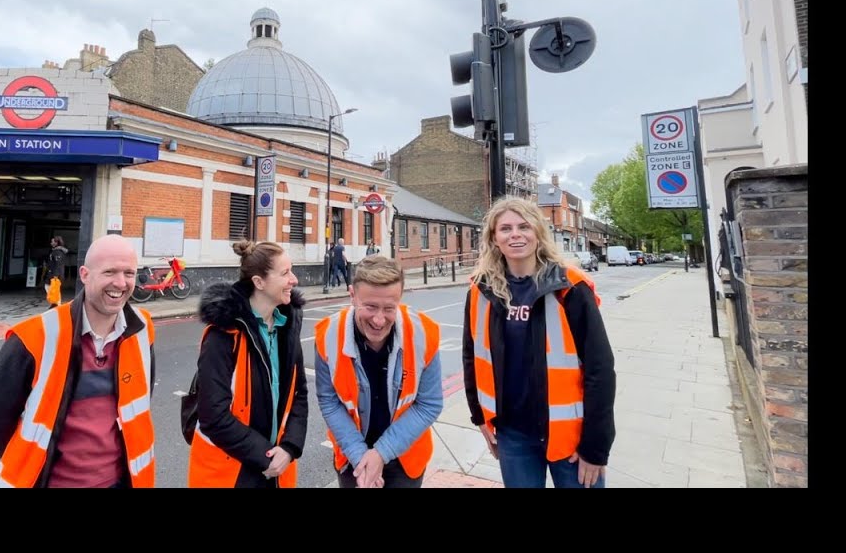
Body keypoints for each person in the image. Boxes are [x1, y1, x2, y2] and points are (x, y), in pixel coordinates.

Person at [461, 196, 616, 488]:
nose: (515, 234)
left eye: (524, 226)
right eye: (505, 228)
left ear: (538, 233)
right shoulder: (481, 289)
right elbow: (471, 357)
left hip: (571, 436)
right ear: (494, 239)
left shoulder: (570, 286)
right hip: (513, 434)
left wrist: (596, 447)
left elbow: (601, 369)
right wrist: (479, 416)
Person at [0, 234, 156, 488]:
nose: (120, 282)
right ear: (85, 275)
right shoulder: (33, 337)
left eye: (129, 273)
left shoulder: (142, 329)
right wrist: (37, 466)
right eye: (109, 272)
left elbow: (138, 402)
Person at [314, 255, 443, 488]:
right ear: (352, 296)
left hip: (406, 457)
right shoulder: (328, 334)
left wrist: (380, 453)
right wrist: (359, 454)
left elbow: (429, 404)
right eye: (370, 307)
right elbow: (329, 401)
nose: (379, 320)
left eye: (389, 308)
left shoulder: (424, 333)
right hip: (352, 455)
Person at [187, 240, 308, 488]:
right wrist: (266, 456)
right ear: (259, 282)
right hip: (230, 474)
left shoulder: (287, 326)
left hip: (277, 471)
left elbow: (299, 394)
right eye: (285, 273)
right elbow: (213, 417)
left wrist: (289, 447)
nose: (294, 280)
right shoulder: (222, 335)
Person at [44, 236, 69, 306]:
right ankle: (55, 304)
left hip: (54, 274)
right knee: (53, 289)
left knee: (52, 289)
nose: (51, 243)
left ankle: (57, 304)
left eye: (52, 242)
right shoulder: (55, 251)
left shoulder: (58, 252)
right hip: (53, 273)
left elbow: (58, 264)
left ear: (56, 242)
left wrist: (56, 275)